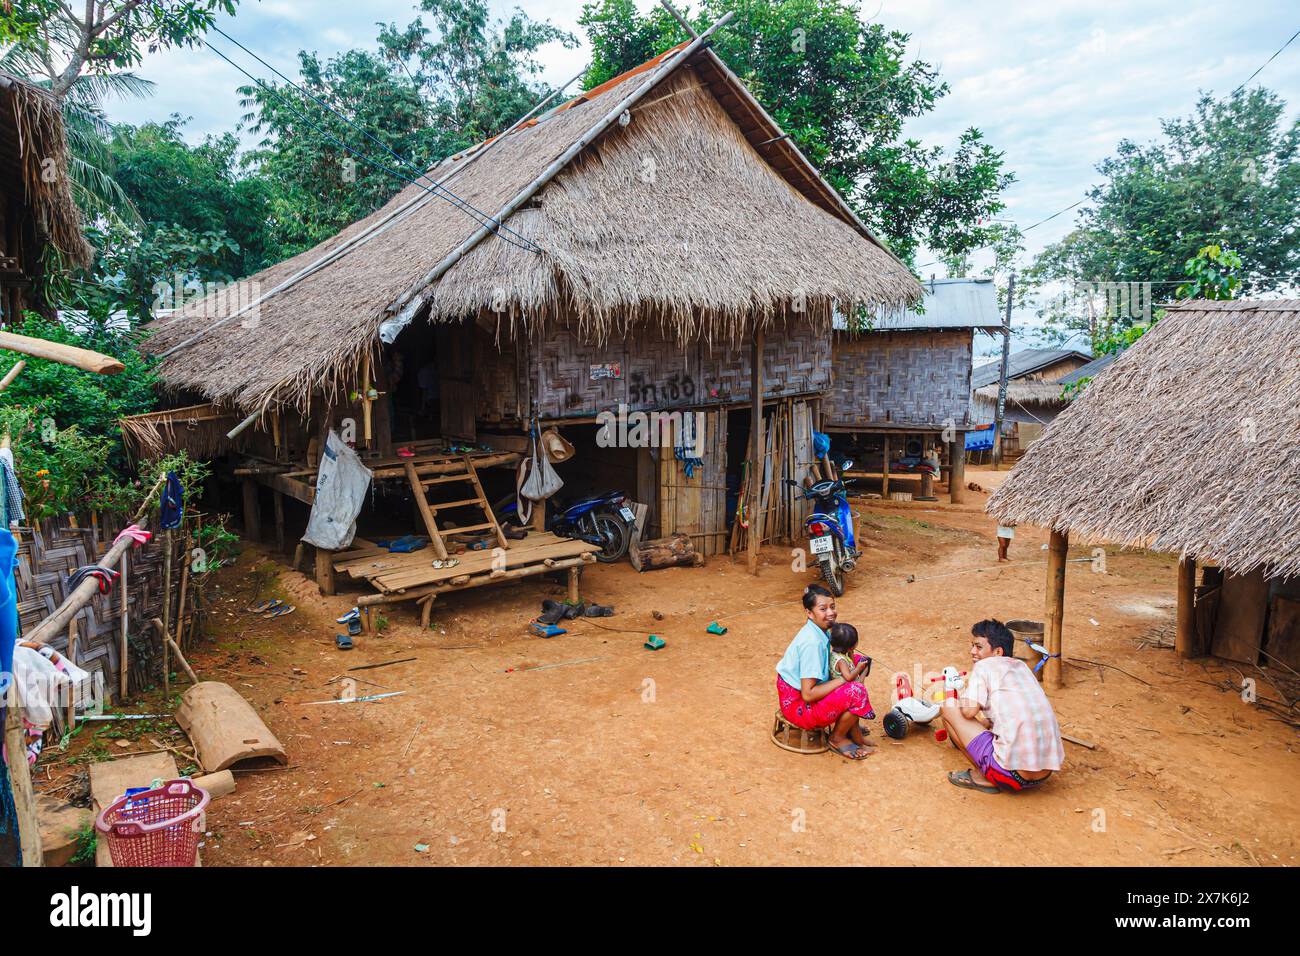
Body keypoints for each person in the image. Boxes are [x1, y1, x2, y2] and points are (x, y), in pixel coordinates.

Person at [940, 619, 1064, 793]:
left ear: (998, 651)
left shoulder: (984, 666)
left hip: (1011, 776)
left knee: (948, 707)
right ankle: (993, 768)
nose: (972, 652)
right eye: (972, 646)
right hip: (1045, 773)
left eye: (978, 646)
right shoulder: (1023, 667)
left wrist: (962, 698)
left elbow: (968, 712)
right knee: (988, 724)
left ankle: (984, 776)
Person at [775, 584, 875, 760]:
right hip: (799, 705)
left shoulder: (821, 630)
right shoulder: (812, 644)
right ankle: (838, 737)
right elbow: (808, 694)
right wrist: (846, 680)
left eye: (832, 606)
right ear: (809, 613)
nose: (831, 613)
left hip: (808, 690)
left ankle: (850, 723)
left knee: (860, 662)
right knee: (856, 690)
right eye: (823, 609)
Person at [828, 622, 875, 720]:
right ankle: (860, 686)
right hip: (845, 687)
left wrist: (851, 652)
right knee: (864, 666)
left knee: (866, 661)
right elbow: (848, 677)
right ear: (851, 646)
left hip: (845, 678)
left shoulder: (838, 653)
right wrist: (859, 668)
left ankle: (860, 683)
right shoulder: (841, 661)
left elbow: (851, 662)